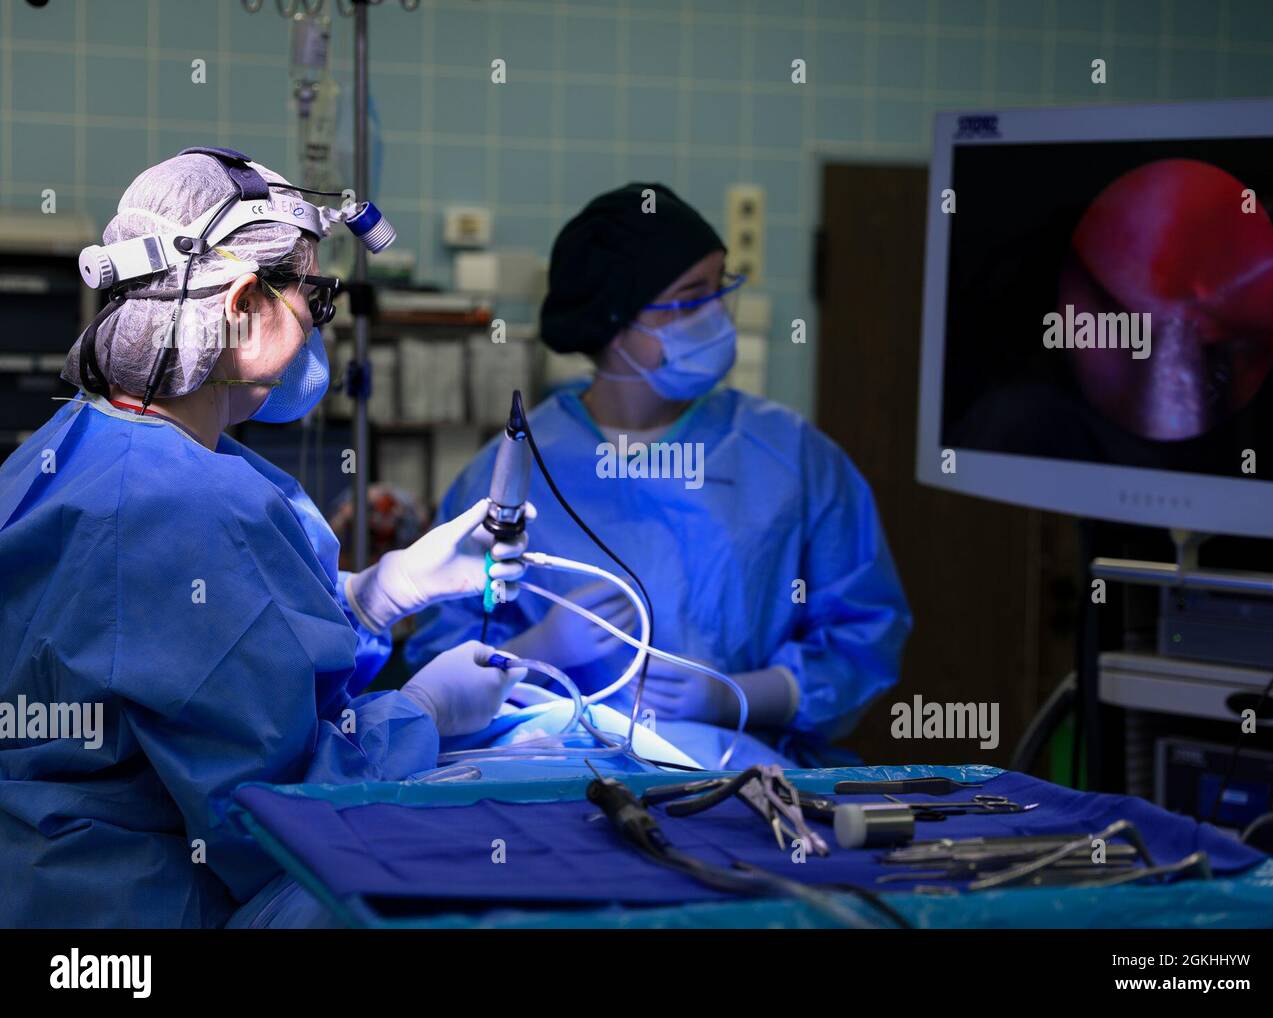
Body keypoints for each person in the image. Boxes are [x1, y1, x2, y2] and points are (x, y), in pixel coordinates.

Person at [0, 151, 531, 928]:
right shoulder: (189, 506)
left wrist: (376, 596)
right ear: (243, 306)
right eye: (315, 294)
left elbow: (177, 662)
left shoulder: (58, 450)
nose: (321, 321)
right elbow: (273, 812)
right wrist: (422, 711)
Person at [408, 183, 911, 769]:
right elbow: (441, 655)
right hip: (552, 775)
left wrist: (741, 696)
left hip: (744, 774)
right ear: (614, 321)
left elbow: (865, 628)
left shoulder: (788, 456)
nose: (716, 315)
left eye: (720, 288)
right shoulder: (515, 469)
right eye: (689, 299)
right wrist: (534, 651)